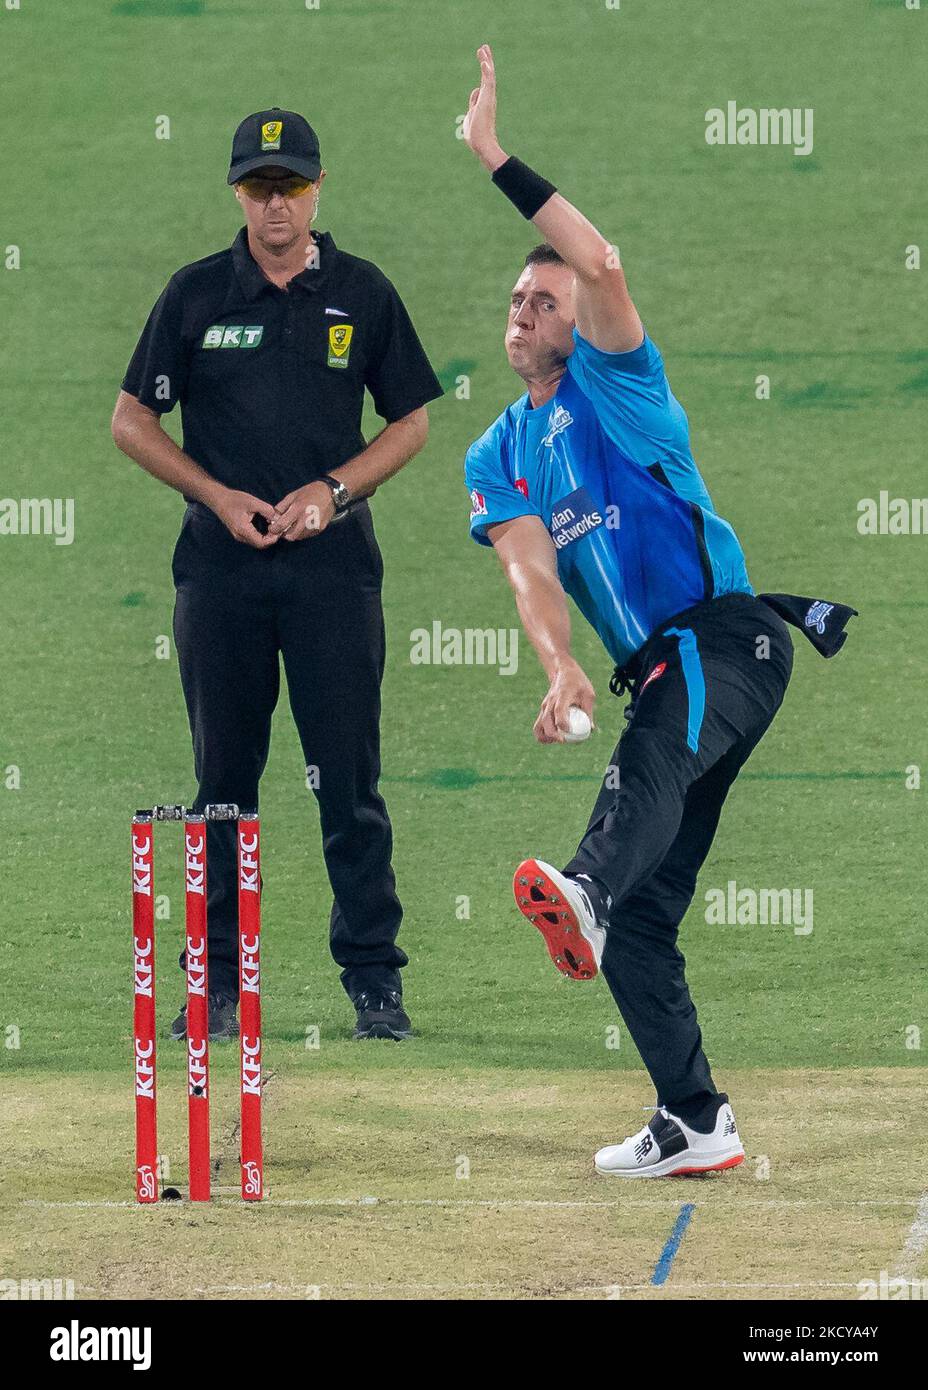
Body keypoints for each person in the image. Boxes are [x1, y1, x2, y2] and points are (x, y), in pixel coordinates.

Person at [461, 48, 855, 1175]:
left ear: (582, 322)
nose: (524, 307)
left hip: (728, 640)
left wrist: (494, 156)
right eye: (516, 299)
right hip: (659, 671)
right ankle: (694, 1118)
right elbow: (530, 566)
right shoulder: (500, 449)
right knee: (641, 922)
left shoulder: (616, 379)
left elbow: (599, 255)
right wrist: (556, 666)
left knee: (643, 772)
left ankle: (580, 882)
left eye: (545, 298)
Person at [112, 107, 443, 1042]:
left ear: (317, 189)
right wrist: (217, 496)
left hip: (335, 577)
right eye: (259, 189)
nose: (276, 207)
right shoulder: (194, 296)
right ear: (237, 194)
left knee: (350, 779)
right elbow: (131, 420)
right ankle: (215, 983)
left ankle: (374, 979)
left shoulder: (362, 295)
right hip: (220, 578)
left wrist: (333, 491)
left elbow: (411, 420)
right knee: (224, 780)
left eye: (291, 187)